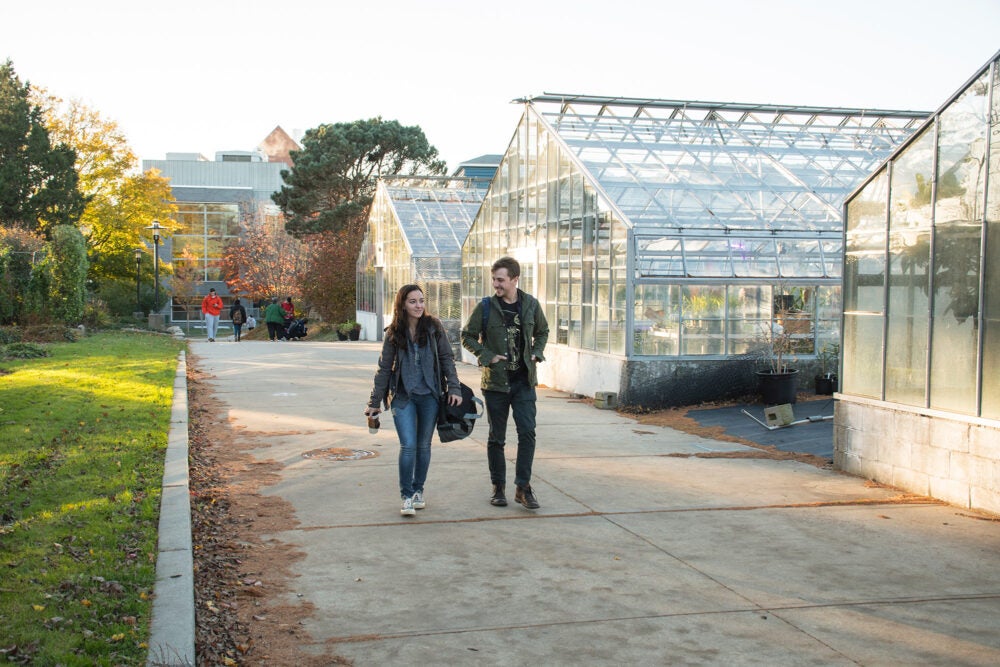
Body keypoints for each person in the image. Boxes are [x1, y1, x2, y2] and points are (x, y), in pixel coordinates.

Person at [365, 284, 461, 517]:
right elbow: (384, 369)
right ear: (402, 304)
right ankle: (406, 495)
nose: (419, 306)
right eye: (413, 301)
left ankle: (419, 490)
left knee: (424, 446)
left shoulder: (434, 327)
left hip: (430, 395)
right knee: (408, 446)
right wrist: (374, 401)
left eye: (421, 301)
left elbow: (447, 358)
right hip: (402, 396)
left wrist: (454, 387)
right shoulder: (393, 333)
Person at [461, 257, 549, 510]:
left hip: (524, 382)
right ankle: (498, 487)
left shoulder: (531, 304)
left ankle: (523, 487)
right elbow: (467, 336)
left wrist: (537, 351)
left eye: (500, 280)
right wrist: (486, 355)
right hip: (496, 384)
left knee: (527, 433)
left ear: (514, 279)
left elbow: (542, 331)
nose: (496, 284)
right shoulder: (486, 306)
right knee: (496, 437)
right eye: (494, 279)